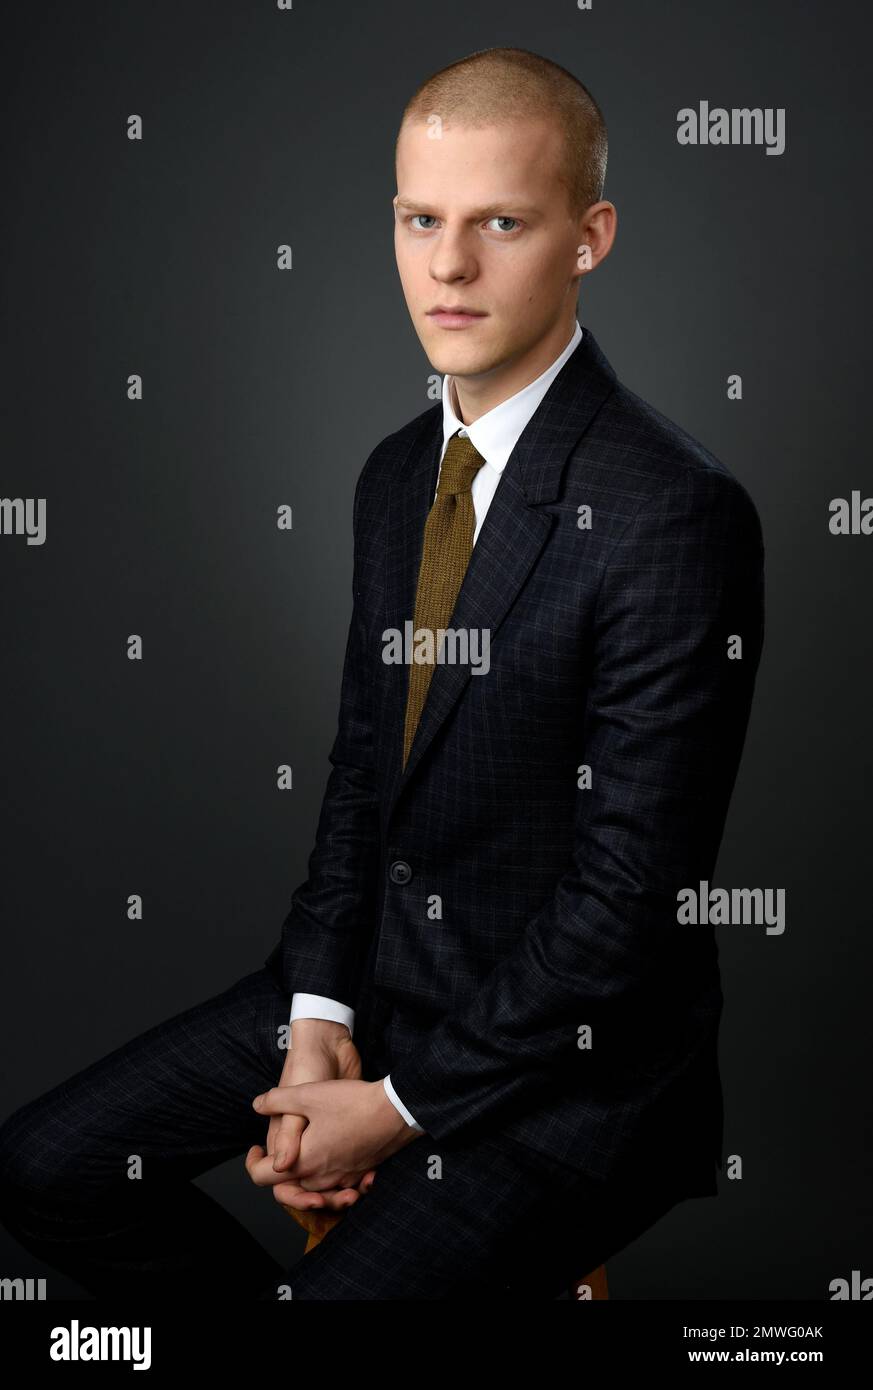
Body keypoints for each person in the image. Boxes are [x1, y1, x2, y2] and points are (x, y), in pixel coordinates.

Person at [0, 46, 765, 1300]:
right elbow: (364, 781)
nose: (448, 267)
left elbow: (629, 905)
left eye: (500, 223)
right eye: (421, 220)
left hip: (568, 1063)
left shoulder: (672, 510)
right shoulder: (395, 476)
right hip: (380, 988)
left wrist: (397, 1108)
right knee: (43, 1169)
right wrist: (313, 1021)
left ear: (590, 236)